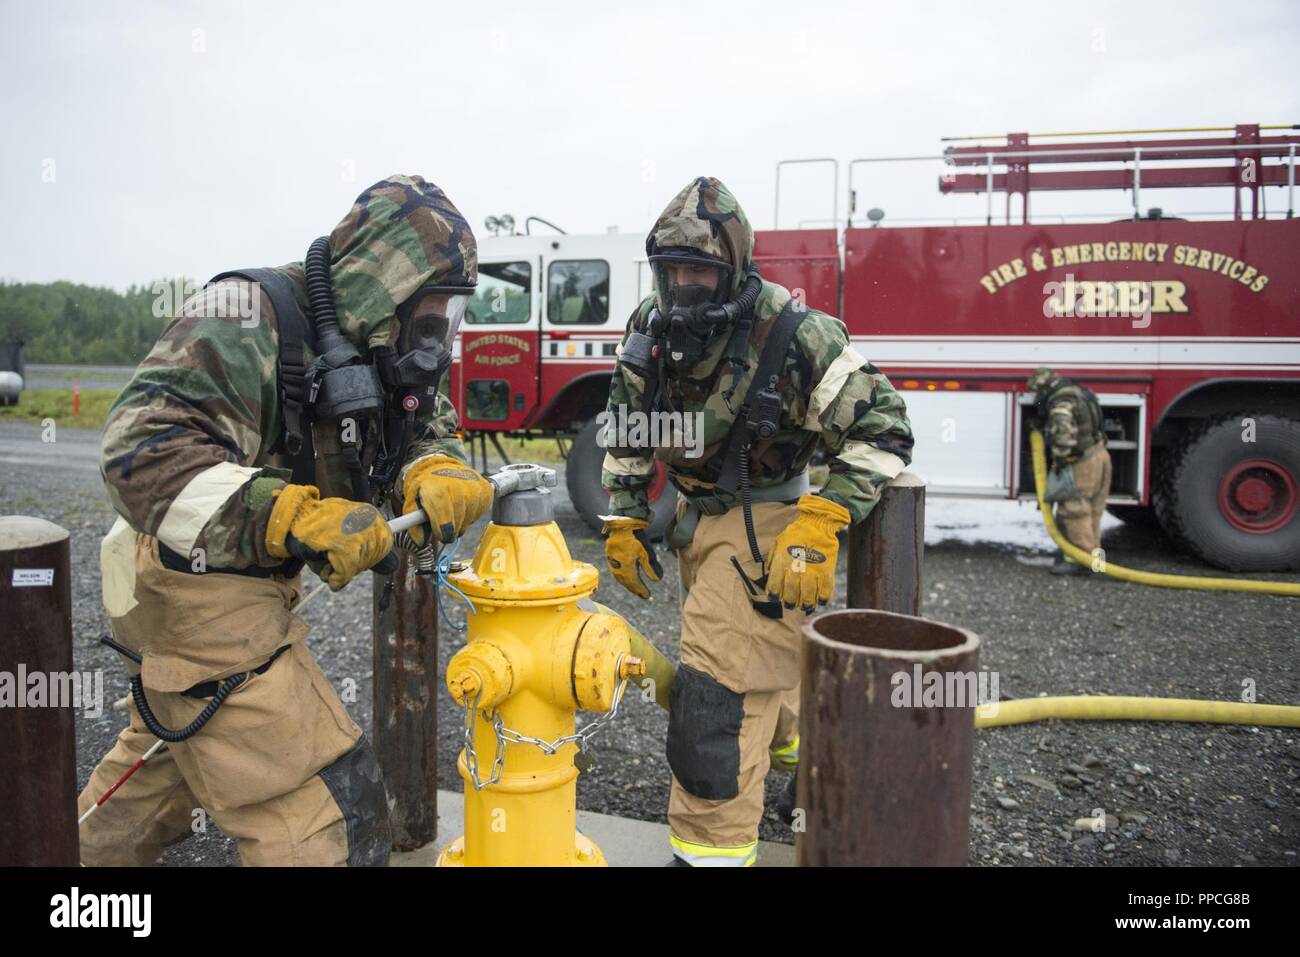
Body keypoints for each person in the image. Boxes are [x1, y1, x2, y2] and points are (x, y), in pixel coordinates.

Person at [80, 175, 493, 866]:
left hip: (242, 583)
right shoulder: (245, 317)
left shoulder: (382, 341)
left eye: (451, 313)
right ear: (384, 287)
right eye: (433, 310)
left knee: (163, 772)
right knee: (328, 813)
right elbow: (136, 452)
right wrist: (289, 515)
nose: (440, 333)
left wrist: (434, 468)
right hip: (193, 586)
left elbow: (423, 424)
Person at [600, 176, 914, 866]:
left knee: (715, 698)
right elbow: (626, 423)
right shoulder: (648, 327)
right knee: (761, 669)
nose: (684, 285)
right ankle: (809, 762)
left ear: (734, 268)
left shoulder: (796, 333)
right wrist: (624, 516)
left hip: (769, 523)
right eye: (672, 270)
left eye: (700, 271)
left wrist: (823, 518)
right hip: (696, 524)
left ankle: (709, 851)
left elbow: (885, 427)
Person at [1026, 366, 1112, 575]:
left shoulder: (1061, 402)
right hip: (1099, 455)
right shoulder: (1079, 392)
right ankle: (1095, 562)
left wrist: (1060, 461)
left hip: (1081, 462)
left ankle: (1079, 560)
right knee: (1093, 513)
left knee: (1074, 510)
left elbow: (1063, 436)